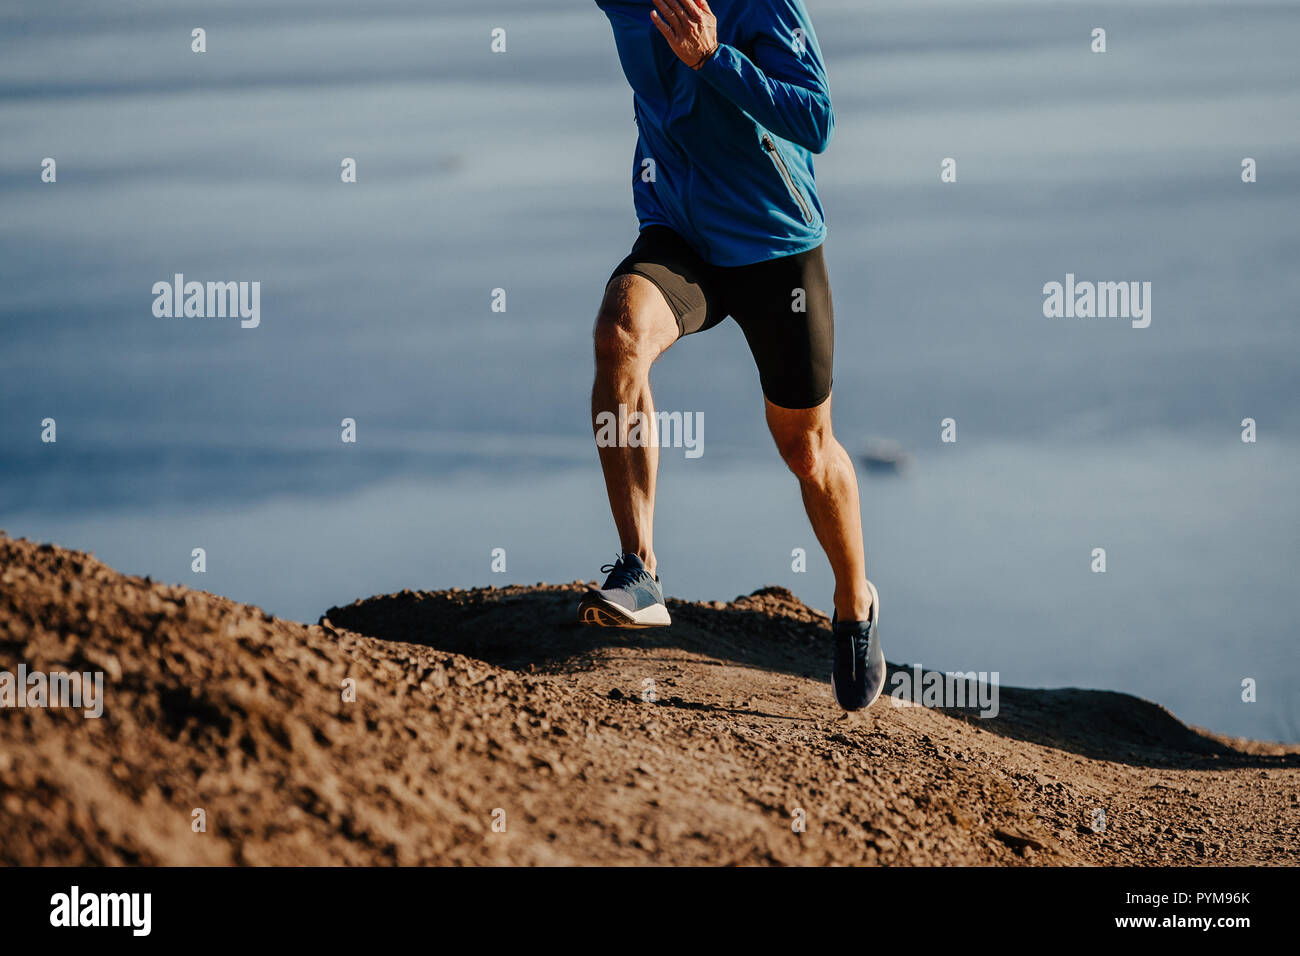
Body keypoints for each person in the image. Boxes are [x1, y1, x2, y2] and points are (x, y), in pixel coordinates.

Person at [578, 0, 886, 711]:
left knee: (807, 451)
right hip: (678, 233)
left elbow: (816, 122)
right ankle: (639, 568)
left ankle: (853, 599)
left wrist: (717, 60)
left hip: (773, 246)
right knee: (619, 335)